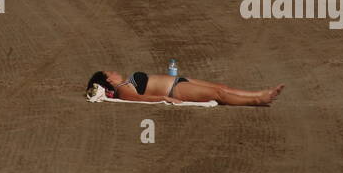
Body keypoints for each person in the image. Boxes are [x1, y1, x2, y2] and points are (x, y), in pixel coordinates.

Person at [86, 70, 283, 106]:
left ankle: (261, 92)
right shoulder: (122, 89)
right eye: (108, 72)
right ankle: (258, 100)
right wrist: (163, 98)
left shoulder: (125, 82)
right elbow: (138, 99)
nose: (113, 71)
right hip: (175, 90)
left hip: (179, 80)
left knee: (221, 87)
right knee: (218, 94)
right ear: (108, 81)